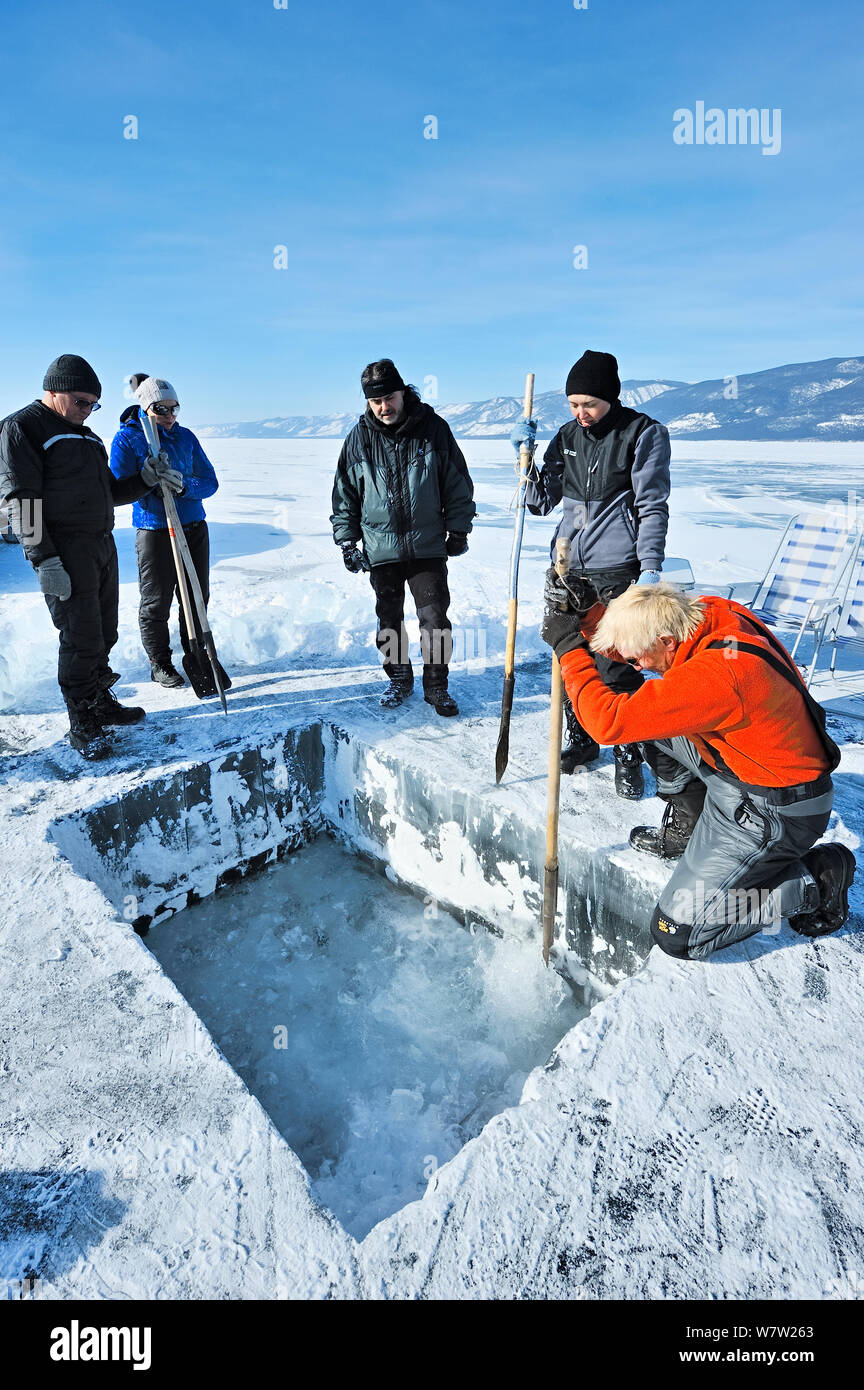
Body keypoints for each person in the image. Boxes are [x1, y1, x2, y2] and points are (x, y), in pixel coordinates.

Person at [540, 578, 856, 959]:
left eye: (638, 659)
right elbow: (639, 649)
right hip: (737, 763)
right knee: (646, 719)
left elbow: (608, 723)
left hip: (774, 810)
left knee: (677, 934)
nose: (635, 666)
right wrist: (591, 617)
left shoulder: (718, 675)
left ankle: (816, 879)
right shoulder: (705, 613)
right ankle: (689, 824)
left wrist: (569, 650)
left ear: (668, 642)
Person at [0, 354, 180, 759]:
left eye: (93, 404)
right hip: (64, 551)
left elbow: (109, 494)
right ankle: (83, 722)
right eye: (81, 402)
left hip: (100, 545)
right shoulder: (23, 428)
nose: (87, 411)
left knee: (104, 633)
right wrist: (43, 560)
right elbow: (21, 500)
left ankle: (100, 701)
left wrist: (144, 481)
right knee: (80, 640)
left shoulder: (88, 437)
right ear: (53, 390)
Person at [515, 349, 671, 799]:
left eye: (590, 405)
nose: (581, 414)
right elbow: (540, 503)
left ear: (610, 398)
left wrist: (650, 567)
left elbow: (651, 504)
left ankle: (626, 753)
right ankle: (581, 741)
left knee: (616, 666)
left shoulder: (643, 434)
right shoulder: (566, 436)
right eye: (573, 405)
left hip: (617, 568)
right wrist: (525, 463)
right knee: (571, 661)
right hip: (567, 566)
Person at [330, 359, 476, 715]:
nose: (384, 407)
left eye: (389, 398)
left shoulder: (433, 429)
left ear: (403, 392)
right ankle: (399, 678)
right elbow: (344, 494)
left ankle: (437, 686)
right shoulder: (359, 439)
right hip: (381, 549)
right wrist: (347, 541)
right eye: (375, 402)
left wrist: (458, 528)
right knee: (389, 620)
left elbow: (456, 482)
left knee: (435, 620)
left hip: (427, 546)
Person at [109, 375, 228, 693]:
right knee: (156, 602)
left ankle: (198, 654)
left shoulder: (186, 437)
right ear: (146, 407)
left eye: (175, 408)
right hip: (155, 530)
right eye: (162, 409)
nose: (171, 415)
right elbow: (118, 488)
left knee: (196, 597)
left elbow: (211, 481)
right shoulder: (128, 439)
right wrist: (147, 477)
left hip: (193, 526)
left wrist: (185, 485)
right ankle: (160, 663)